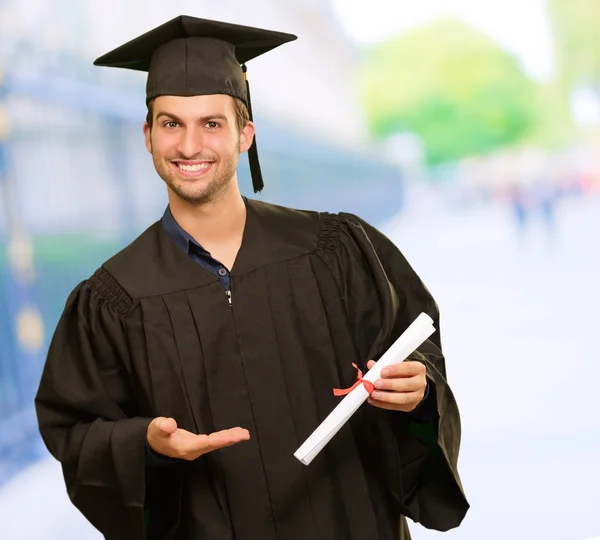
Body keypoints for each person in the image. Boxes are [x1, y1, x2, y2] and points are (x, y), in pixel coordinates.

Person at [34, 15, 469, 540]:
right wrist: (146, 442)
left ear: (245, 134)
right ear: (148, 137)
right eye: (171, 123)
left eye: (211, 124)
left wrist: (417, 393)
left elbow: (418, 358)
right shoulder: (113, 300)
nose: (189, 145)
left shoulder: (337, 252)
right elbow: (76, 432)